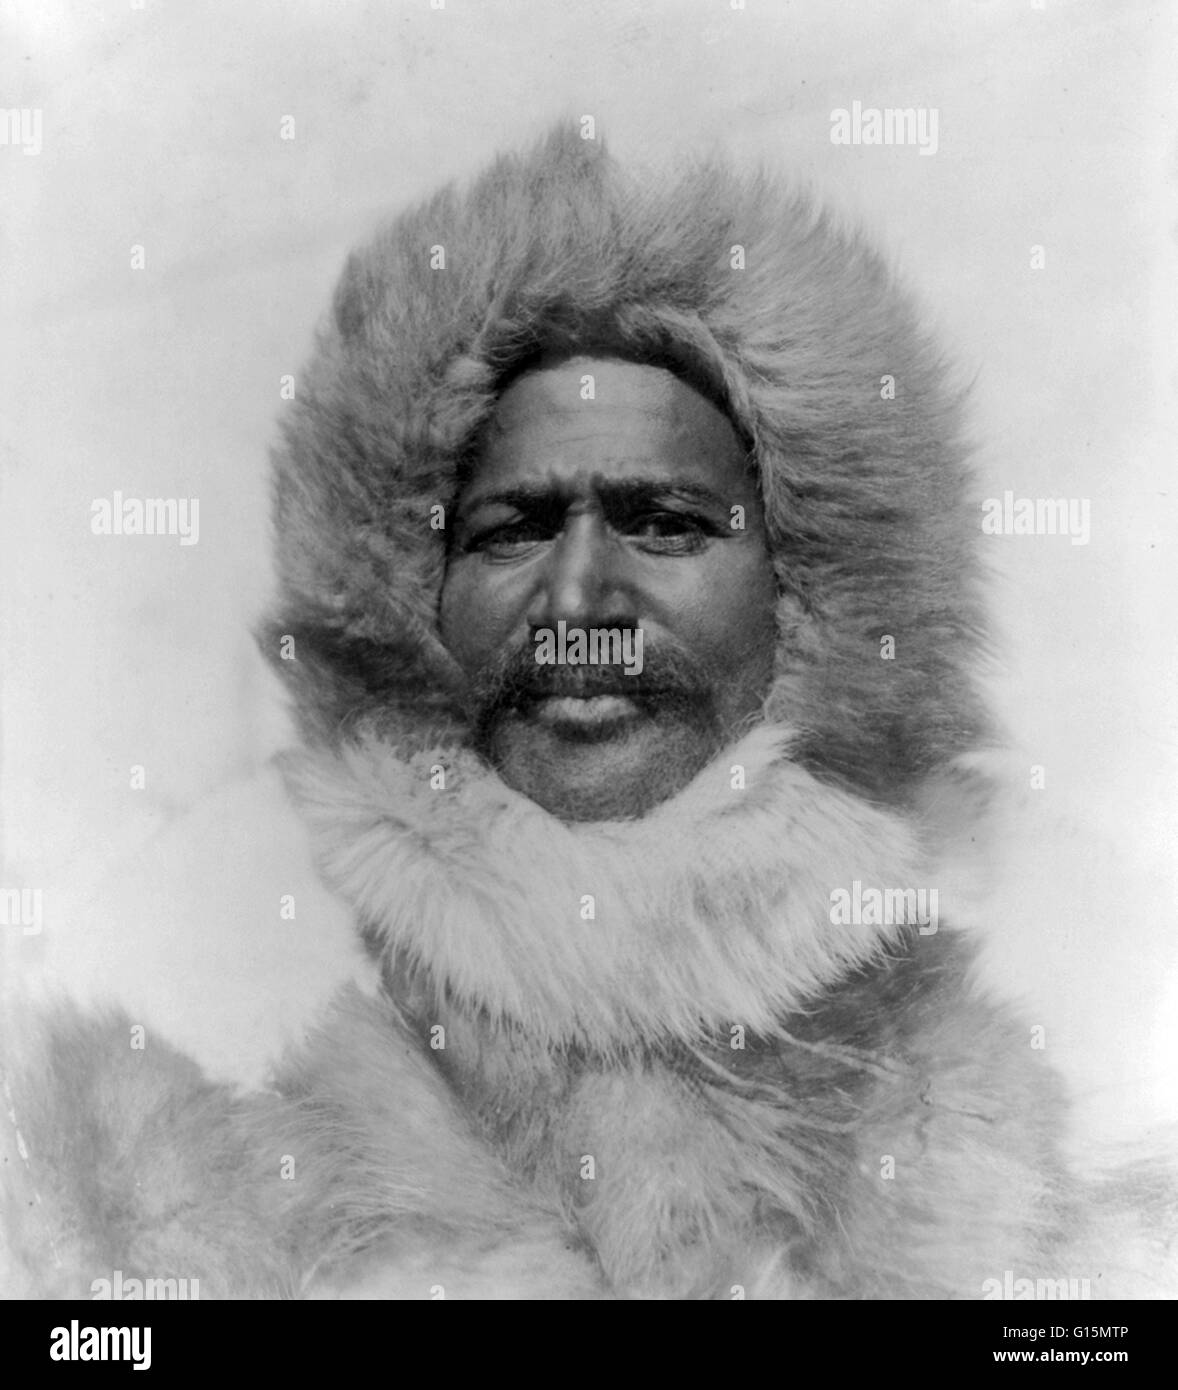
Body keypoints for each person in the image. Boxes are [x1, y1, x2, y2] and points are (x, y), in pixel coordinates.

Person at [1, 124, 1171, 1300]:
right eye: (510, 529)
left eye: (662, 520)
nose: (576, 600)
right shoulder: (161, 1103)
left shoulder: (1104, 1081)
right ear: (415, 600)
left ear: (806, 594)